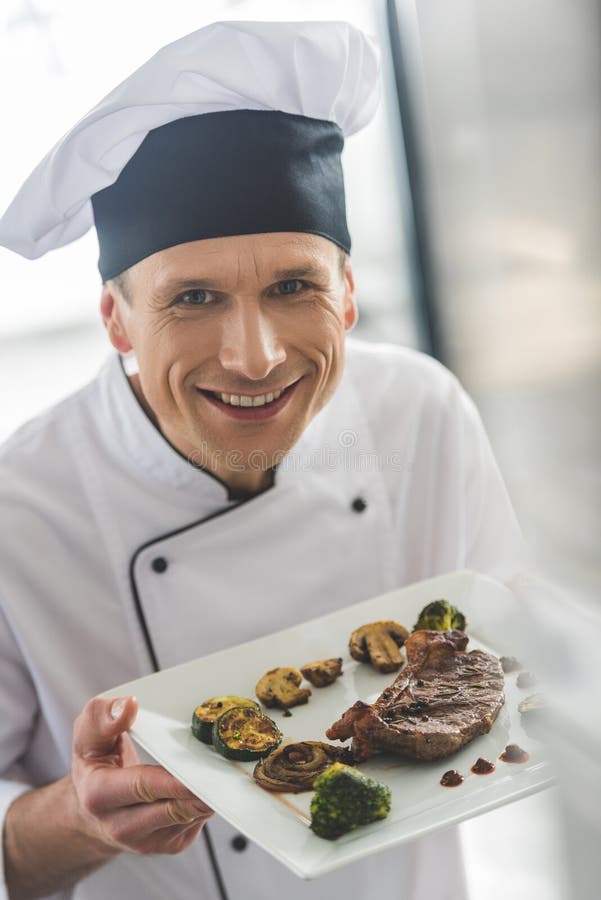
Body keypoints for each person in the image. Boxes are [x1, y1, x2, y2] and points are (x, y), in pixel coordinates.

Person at [0, 20, 525, 900]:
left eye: (293, 287)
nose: (254, 357)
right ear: (117, 320)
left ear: (347, 294)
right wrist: (80, 819)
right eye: (193, 299)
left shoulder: (419, 413)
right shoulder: (21, 509)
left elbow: (510, 652)